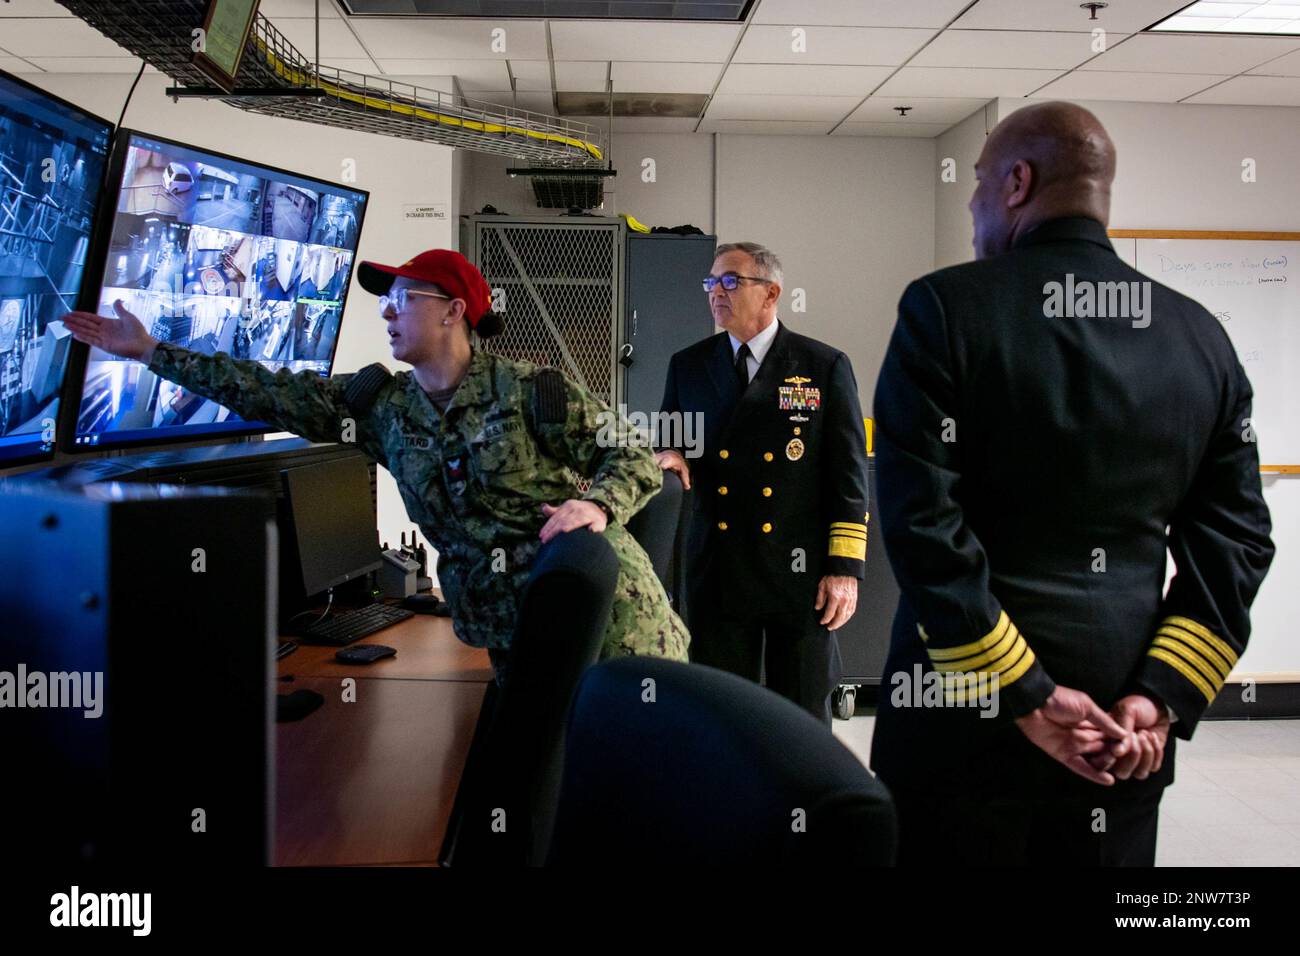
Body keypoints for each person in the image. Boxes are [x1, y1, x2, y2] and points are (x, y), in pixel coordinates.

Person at [870, 101, 1275, 865]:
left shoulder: (946, 309)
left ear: (1018, 182)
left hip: (960, 715)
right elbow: (1239, 542)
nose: (973, 207)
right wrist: (1158, 698)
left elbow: (923, 522)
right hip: (1121, 737)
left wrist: (1025, 693)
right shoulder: (1200, 337)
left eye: (981, 183)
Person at [62, 248, 690, 677]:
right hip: (509, 634)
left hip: (609, 625)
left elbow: (631, 450)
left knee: (632, 796)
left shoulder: (533, 389)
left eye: (402, 297)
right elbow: (267, 390)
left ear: (453, 310)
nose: (387, 311)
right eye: (385, 301)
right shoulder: (385, 408)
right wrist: (150, 351)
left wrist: (597, 504)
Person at [656, 241, 869, 726]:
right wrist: (667, 455)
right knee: (721, 713)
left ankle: (806, 803)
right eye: (711, 282)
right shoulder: (688, 365)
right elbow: (670, 445)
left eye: (731, 281)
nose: (716, 292)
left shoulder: (821, 365)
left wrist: (844, 569)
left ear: (771, 293)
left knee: (802, 716)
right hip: (719, 565)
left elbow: (849, 476)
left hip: (799, 569)